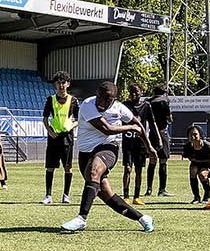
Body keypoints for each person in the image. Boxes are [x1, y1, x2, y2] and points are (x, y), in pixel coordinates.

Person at [59, 81, 155, 234]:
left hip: (108, 148)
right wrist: (130, 127)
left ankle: (81, 218)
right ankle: (143, 218)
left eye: (108, 99)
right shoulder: (87, 105)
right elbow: (107, 129)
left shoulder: (119, 108)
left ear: (114, 99)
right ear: (97, 94)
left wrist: (149, 146)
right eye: (101, 97)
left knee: (94, 171)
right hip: (85, 153)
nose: (103, 102)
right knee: (107, 195)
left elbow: (139, 125)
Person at [41, 72, 78, 205]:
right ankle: (48, 195)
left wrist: (72, 125)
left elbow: (78, 119)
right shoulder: (50, 100)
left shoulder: (73, 100)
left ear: (68, 84)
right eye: (58, 83)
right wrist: (49, 131)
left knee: (68, 167)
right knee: (50, 167)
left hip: (67, 137)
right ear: (55, 84)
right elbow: (45, 118)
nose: (61, 85)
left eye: (63, 82)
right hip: (54, 137)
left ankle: (66, 195)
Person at [119, 84, 149, 204]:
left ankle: (136, 196)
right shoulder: (124, 105)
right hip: (127, 142)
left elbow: (152, 122)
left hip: (140, 143)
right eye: (131, 92)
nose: (134, 95)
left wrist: (157, 139)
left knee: (139, 170)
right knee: (127, 168)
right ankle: (126, 195)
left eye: (136, 92)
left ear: (142, 92)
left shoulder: (146, 106)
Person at [146, 83, 174, 196]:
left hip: (151, 132)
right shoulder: (164, 101)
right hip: (162, 132)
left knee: (152, 160)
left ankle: (149, 189)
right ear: (164, 92)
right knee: (163, 160)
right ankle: (162, 189)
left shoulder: (148, 102)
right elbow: (169, 118)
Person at [184, 124, 210, 202]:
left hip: (207, 164)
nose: (193, 136)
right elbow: (189, 157)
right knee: (192, 171)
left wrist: (209, 169)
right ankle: (196, 197)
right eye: (191, 135)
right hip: (195, 163)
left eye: (195, 134)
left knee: (202, 175)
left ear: (200, 135)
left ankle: (207, 194)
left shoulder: (207, 146)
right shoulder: (188, 146)